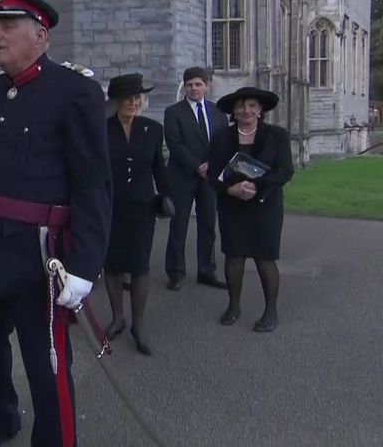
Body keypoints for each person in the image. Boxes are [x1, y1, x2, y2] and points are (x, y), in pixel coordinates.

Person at [0, 0, 112, 447]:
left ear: (40, 35)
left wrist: (84, 265)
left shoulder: (75, 92)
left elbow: (92, 184)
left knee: (48, 363)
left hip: (39, 258)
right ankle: (1, 418)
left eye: (7, 26)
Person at [207, 87, 293, 332]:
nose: (246, 110)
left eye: (252, 105)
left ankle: (271, 311)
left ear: (261, 109)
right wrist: (231, 190)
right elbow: (213, 175)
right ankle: (233, 306)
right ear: (234, 111)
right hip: (232, 205)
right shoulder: (222, 136)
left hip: (265, 205)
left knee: (264, 257)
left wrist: (257, 186)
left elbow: (285, 170)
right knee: (234, 256)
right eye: (241, 106)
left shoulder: (277, 135)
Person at [101, 73, 170, 356]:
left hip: (142, 207)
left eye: (137, 97)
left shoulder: (152, 129)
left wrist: (166, 196)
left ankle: (138, 325)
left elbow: (159, 167)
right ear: (115, 101)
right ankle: (117, 317)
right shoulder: (101, 129)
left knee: (140, 265)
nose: (133, 102)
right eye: (127, 98)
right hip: (110, 206)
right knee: (113, 264)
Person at [163, 67, 229, 290]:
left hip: (210, 177)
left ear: (206, 86)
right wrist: (196, 166)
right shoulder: (173, 112)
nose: (194, 88)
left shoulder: (217, 113)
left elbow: (223, 143)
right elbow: (174, 144)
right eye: (190, 84)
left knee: (208, 225)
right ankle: (176, 273)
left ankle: (206, 271)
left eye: (198, 84)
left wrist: (212, 166)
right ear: (185, 87)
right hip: (182, 176)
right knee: (179, 225)